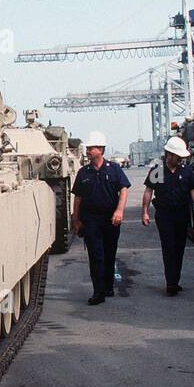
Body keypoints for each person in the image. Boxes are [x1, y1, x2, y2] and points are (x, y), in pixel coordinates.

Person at [73, 131, 130, 305]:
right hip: (91, 220)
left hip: (111, 219)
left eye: (91, 148)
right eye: (88, 148)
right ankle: (98, 292)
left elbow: (124, 190)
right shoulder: (83, 172)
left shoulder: (114, 169)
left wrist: (119, 211)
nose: (88, 151)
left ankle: (108, 286)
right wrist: (76, 220)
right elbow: (77, 198)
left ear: (101, 150)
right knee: (96, 255)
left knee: (109, 253)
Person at [141, 135, 194, 296]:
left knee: (179, 247)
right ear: (170, 154)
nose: (180, 159)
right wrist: (145, 212)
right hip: (164, 215)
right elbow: (149, 191)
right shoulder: (158, 171)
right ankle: (171, 283)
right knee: (168, 247)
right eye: (178, 156)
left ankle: (175, 280)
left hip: (181, 214)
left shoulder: (186, 172)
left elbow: (193, 190)